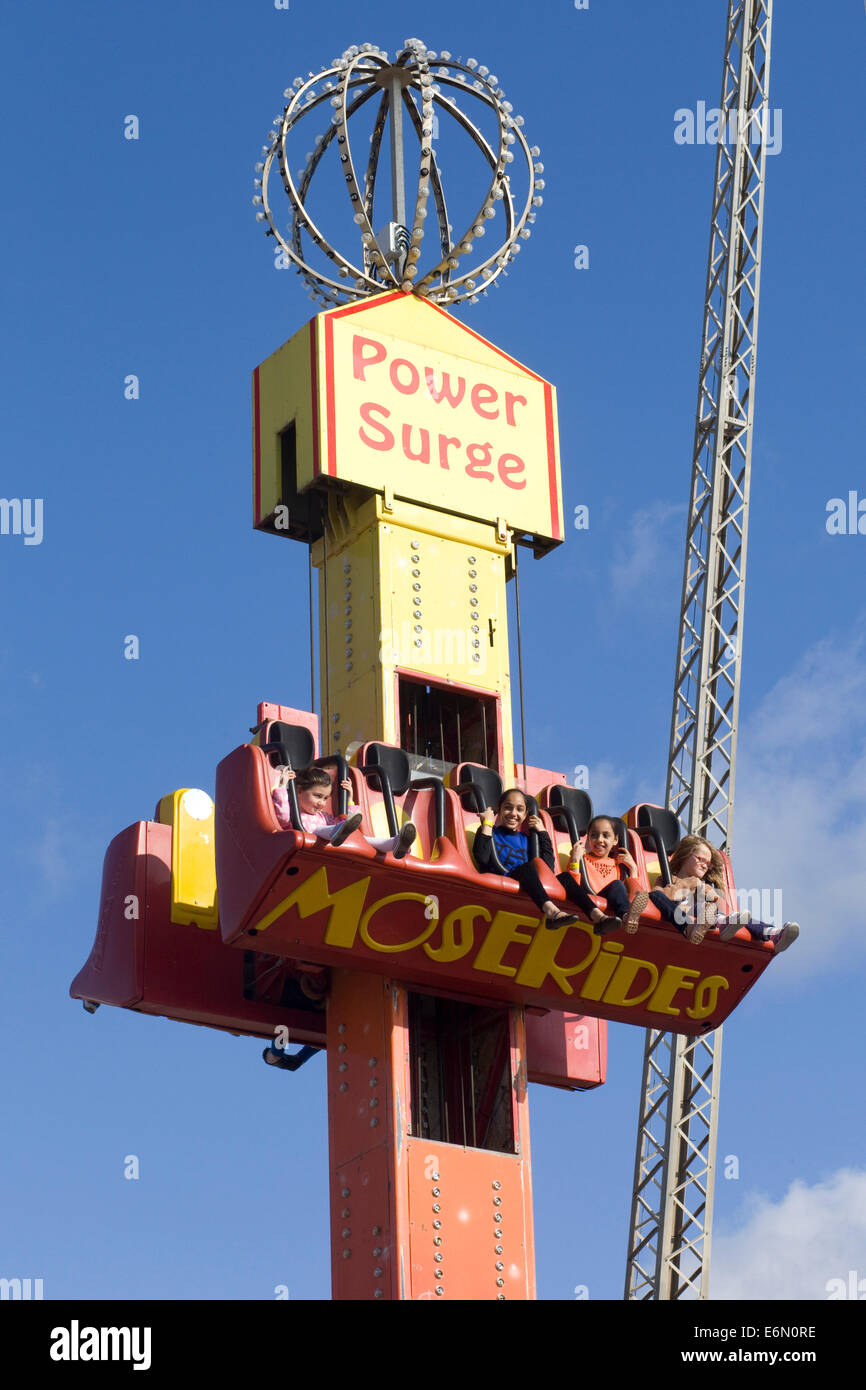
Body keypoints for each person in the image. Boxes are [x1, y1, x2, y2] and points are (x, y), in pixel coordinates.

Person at [650, 835, 799, 951]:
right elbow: (656, 897)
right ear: (685, 856)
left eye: (708, 864)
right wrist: (686, 885)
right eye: (701, 859)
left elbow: (718, 903)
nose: (705, 865)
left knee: (739, 918)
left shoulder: (704, 885)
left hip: (707, 916)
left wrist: (706, 892)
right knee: (699, 907)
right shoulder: (668, 879)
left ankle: (774, 934)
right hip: (682, 914)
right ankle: (721, 923)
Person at [473, 788, 579, 929]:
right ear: (499, 810)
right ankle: (551, 911)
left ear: (525, 815)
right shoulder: (490, 833)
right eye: (508, 808)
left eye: (519, 809)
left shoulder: (527, 840)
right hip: (502, 879)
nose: (513, 813)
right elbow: (482, 858)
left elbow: (547, 868)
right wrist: (487, 823)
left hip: (527, 883)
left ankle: (596, 916)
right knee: (526, 867)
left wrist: (542, 833)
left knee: (564, 877)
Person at [272, 765, 416, 858]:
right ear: (299, 791)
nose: (321, 803)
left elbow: (346, 823)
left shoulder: (323, 816)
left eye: (325, 798)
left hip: (330, 845)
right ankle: (337, 832)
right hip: (309, 845)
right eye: (317, 796)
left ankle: (395, 843)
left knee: (364, 839)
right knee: (323, 830)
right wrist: (283, 786)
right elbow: (283, 818)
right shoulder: (293, 812)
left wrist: (350, 799)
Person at [558, 815, 650, 936]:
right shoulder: (583, 858)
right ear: (588, 839)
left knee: (617, 885)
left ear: (615, 840)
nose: (600, 839)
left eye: (606, 836)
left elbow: (631, 892)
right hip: (586, 896)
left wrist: (633, 868)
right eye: (594, 835)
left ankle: (627, 917)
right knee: (616, 885)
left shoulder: (618, 864)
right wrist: (575, 858)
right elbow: (572, 883)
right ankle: (625, 915)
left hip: (611, 898)